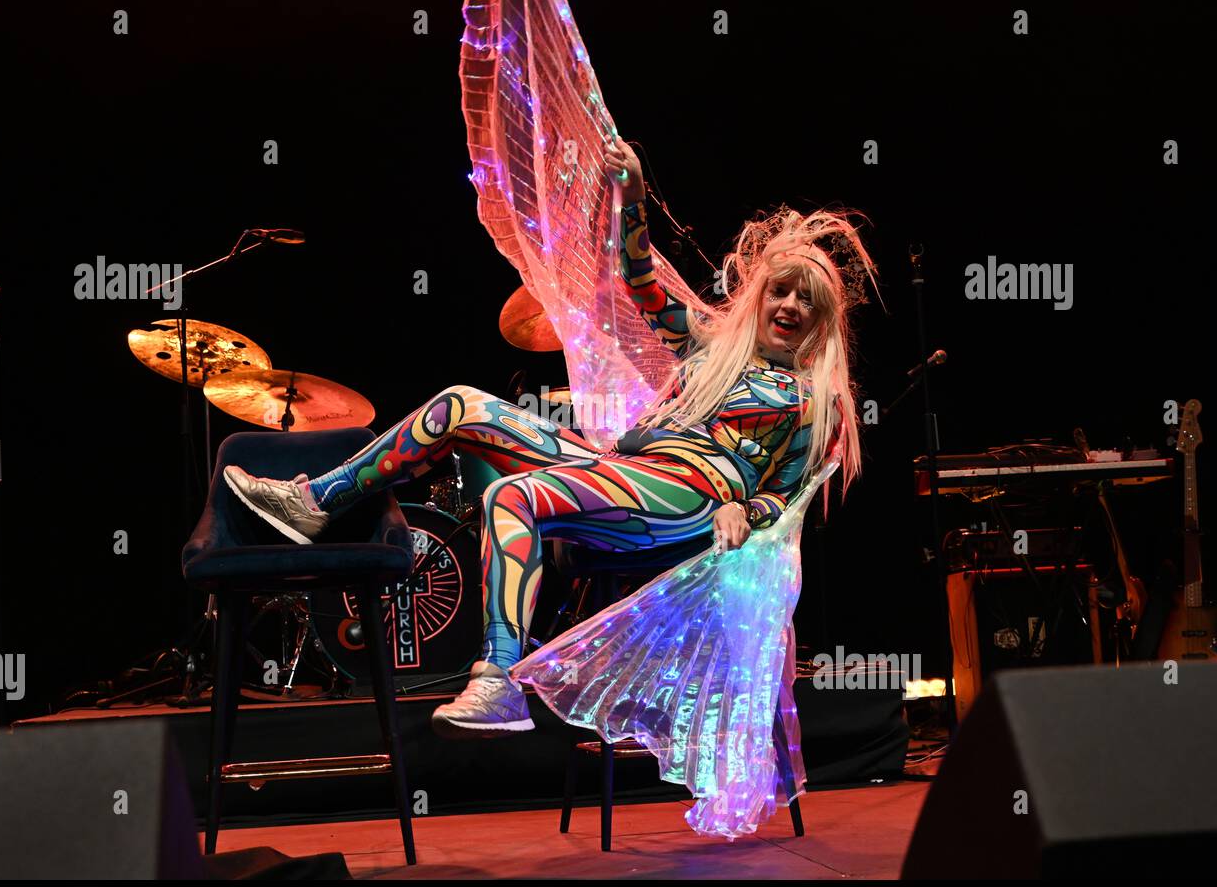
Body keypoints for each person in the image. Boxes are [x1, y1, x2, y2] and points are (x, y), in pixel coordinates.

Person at [223, 135, 871, 741]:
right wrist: (633, 197)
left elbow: (786, 498)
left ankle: (500, 678)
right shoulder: (711, 345)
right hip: (633, 472)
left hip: (695, 499)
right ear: (758, 296)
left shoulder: (809, 402)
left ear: (821, 319)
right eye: (779, 291)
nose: (788, 306)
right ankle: (314, 504)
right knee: (459, 405)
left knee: (512, 498)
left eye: (804, 300)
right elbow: (639, 279)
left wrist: (743, 508)